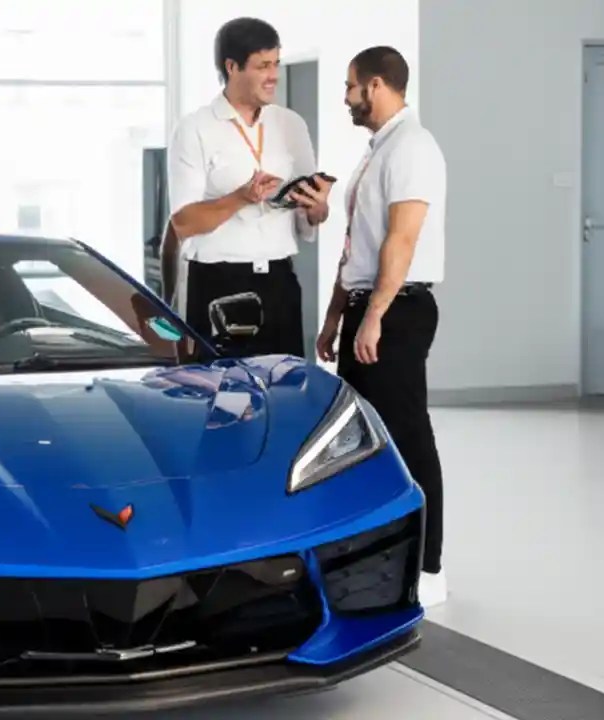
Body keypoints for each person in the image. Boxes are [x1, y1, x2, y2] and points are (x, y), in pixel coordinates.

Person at [316, 46, 448, 607]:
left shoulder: (414, 147)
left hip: (397, 310)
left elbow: (402, 239)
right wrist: (334, 316)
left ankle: (430, 565)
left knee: (407, 435)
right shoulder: (379, 150)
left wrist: (373, 318)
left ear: (375, 85)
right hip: (369, 307)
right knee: (359, 439)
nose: (346, 98)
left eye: (350, 87)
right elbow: (358, 247)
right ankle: (372, 557)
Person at [163, 17, 332, 355]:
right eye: (263, 66)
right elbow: (183, 222)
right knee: (220, 395)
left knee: (285, 392)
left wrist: (317, 209)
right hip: (218, 284)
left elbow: (308, 219)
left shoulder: (291, 125)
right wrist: (241, 197)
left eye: (276, 64)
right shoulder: (195, 128)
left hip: (279, 282)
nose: (274, 76)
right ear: (232, 67)